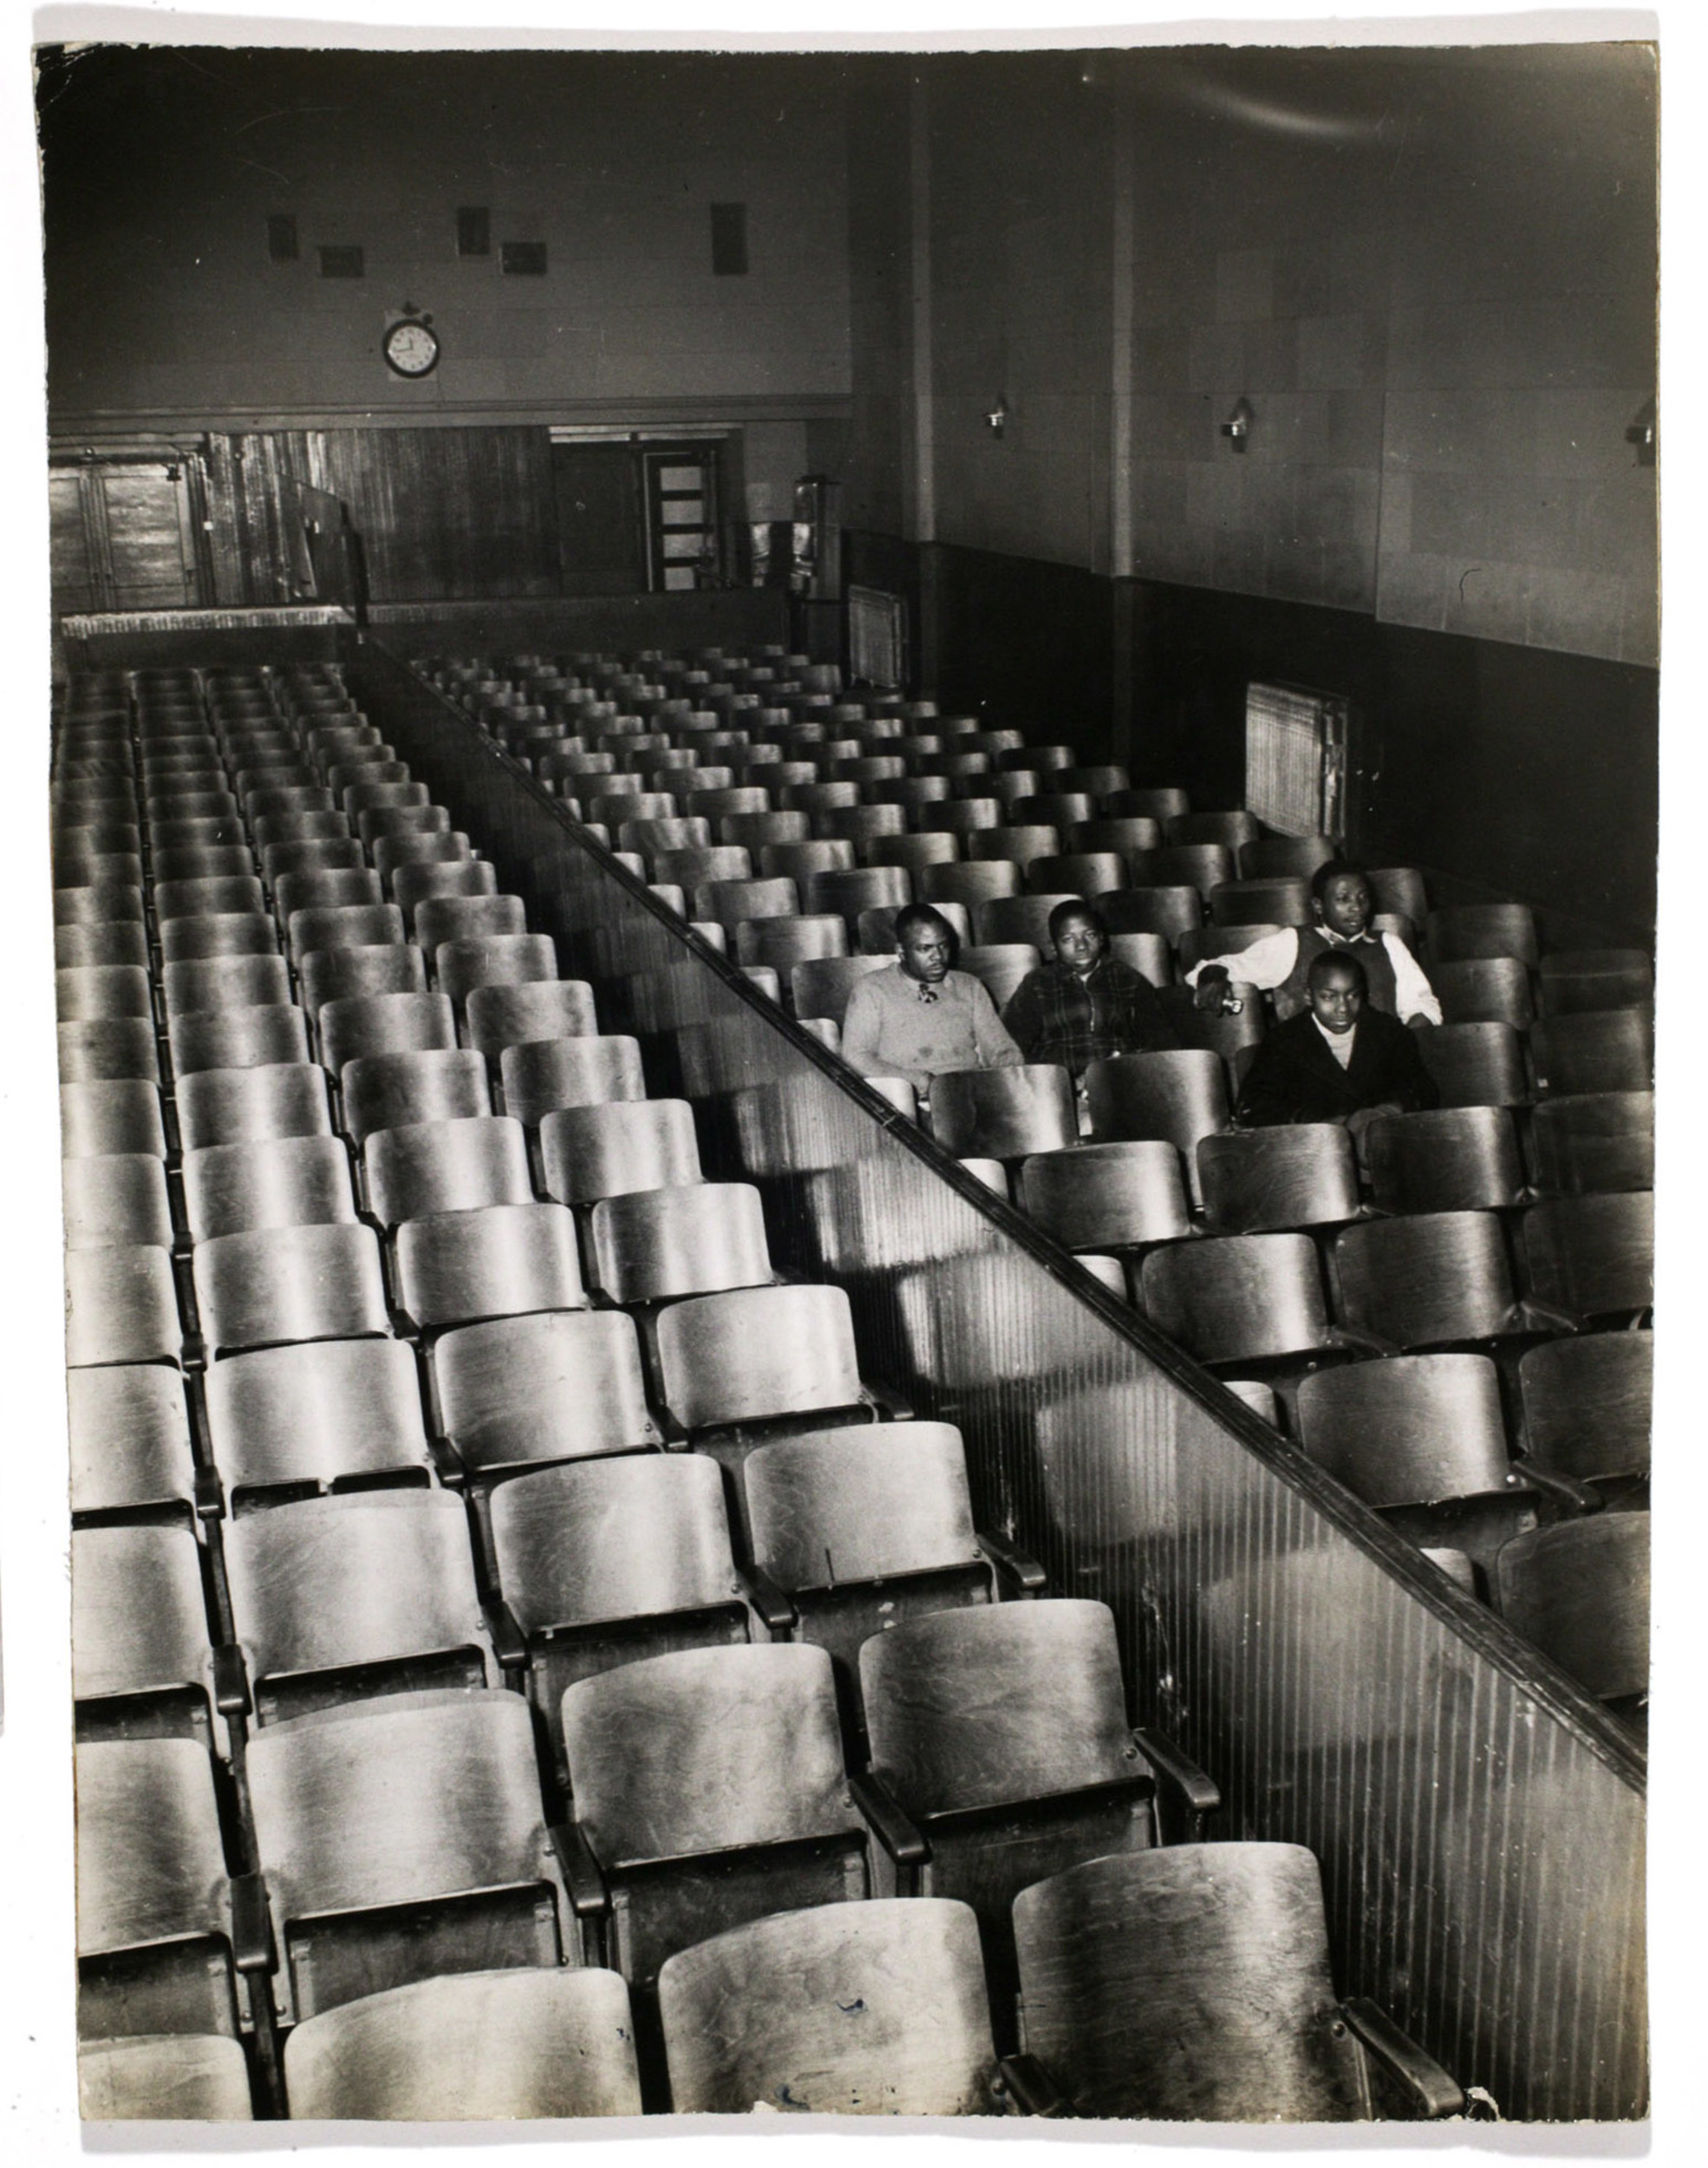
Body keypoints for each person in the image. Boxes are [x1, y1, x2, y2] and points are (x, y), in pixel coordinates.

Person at [1187, 859, 1442, 1025]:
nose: (1357, 907)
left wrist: (1400, 1043)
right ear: (1319, 906)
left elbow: (1423, 1005)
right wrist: (1213, 976)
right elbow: (1222, 966)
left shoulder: (1388, 944)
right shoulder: (1293, 943)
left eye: (1363, 898)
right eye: (1343, 899)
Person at [1233, 950, 1440, 1132]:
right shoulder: (1283, 1041)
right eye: (1329, 997)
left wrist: (1392, 1109)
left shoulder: (1389, 1031)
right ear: (1309, 995)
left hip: (1384, 1139)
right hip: (1316, 1148)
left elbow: (1423, 1090)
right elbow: (1254, 1107)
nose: (1343, 1008)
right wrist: (1325, 1122)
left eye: (1353, 996)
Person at [840, 902, 1023, 1100]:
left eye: (943, 945)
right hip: (909, 1100)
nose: (938, 957)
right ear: (901, 951)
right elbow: (856, 1056)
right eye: (924, 948)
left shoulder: (969, 986)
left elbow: (1001, 1048)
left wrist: (1008, 1082)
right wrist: (917, 1081)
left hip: (970, 1096)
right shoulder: (872, 988)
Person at [1001, 899, 1178, 1081]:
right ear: (1054, 947)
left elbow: (1160, 1042)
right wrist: (1058, 1080)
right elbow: (1012, 1046)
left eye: (1090, 935)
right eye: (1068, 939)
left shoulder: (1128, 979)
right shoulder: (1037, 984)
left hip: (1119, 1080)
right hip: (1058, 1084)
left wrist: (1127, 1064)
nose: (1081, 946)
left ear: (1101, 939)